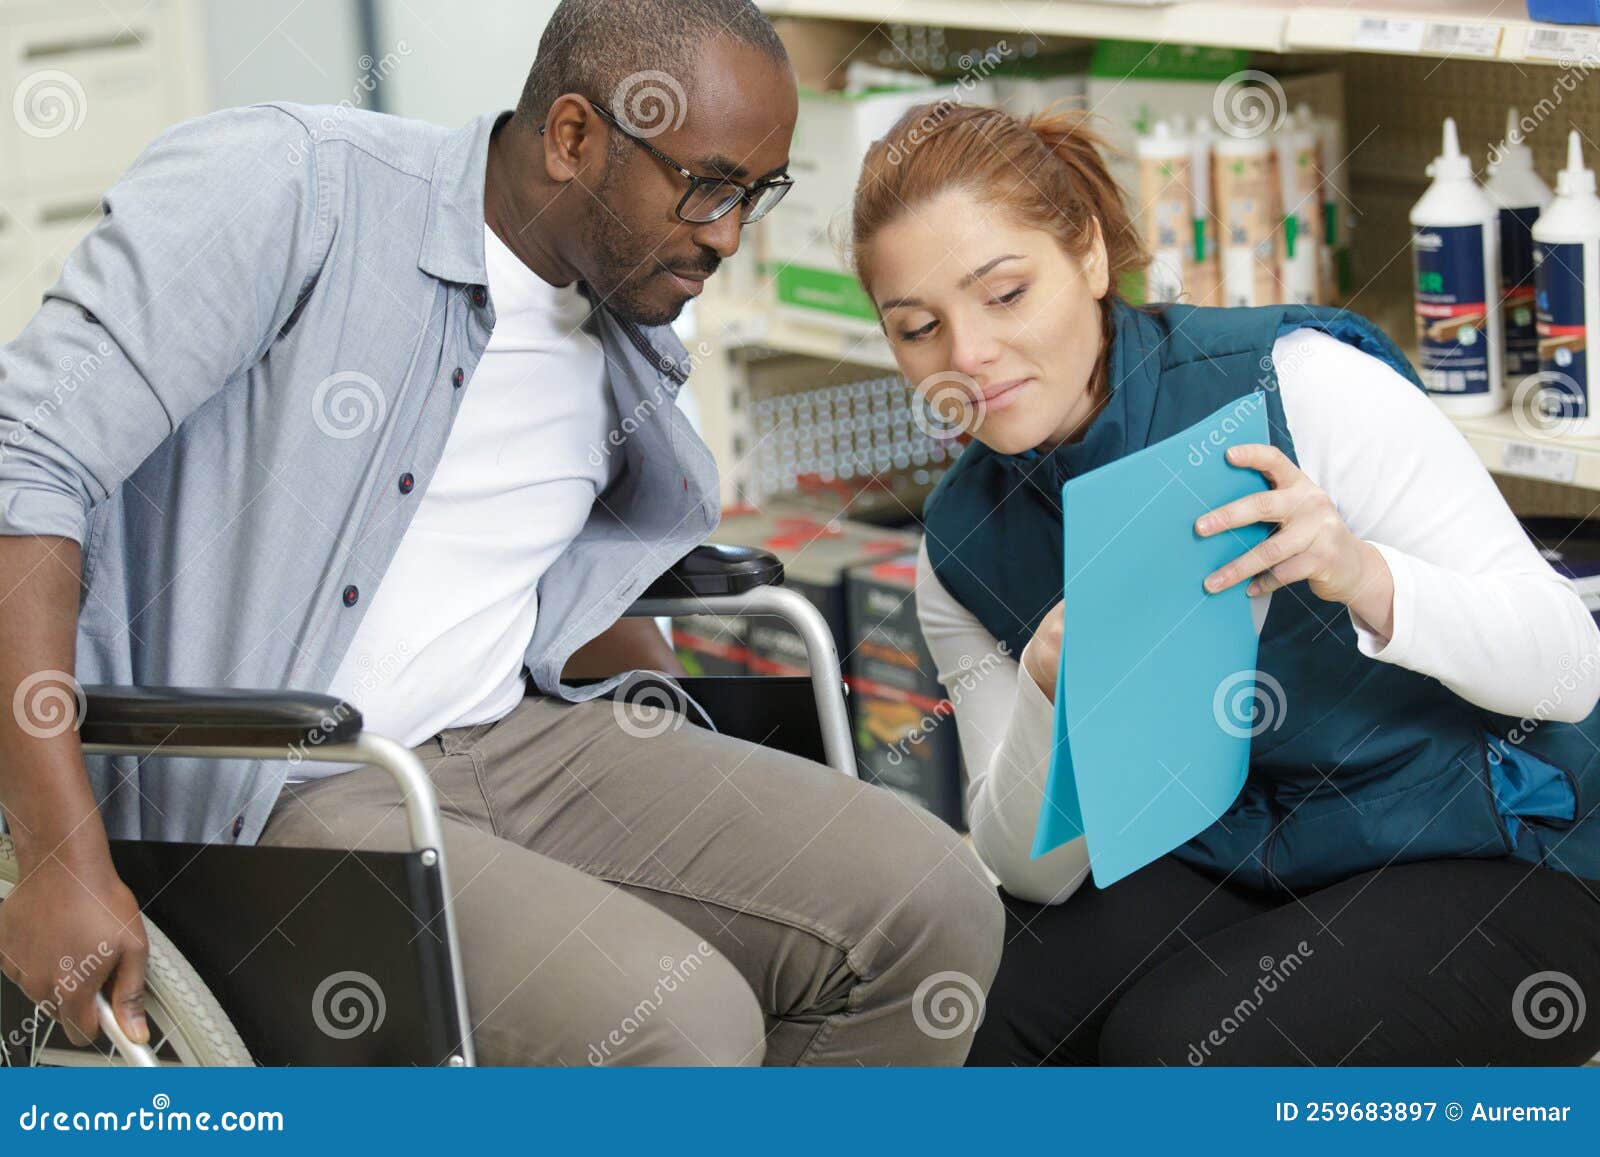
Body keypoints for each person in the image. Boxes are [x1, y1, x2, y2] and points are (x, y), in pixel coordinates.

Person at [0, 0, 1002, 1067]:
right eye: (708, 186)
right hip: (278, 781)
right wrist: (60, 855)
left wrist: (683, 761)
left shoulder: (624, 300)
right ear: (572, 136)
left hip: (514, 735)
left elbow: (540, 564)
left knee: (932, 907)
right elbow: (24, 462)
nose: (727, 236)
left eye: (757, 194)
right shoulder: (294, 186)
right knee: (683, 1026)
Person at [848, 99, 1600, 1065]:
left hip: (1506, 847)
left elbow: (1570, 670)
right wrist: (1048, 697)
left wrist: (1364, 574)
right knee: (968, 1013)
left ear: (1088, 255)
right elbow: (1030, 874)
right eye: (918, 327)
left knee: (1177, 1052)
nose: (967, 358)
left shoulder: (1302, 385)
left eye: (1005, 294)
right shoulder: (963, 543)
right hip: (1248, 852)